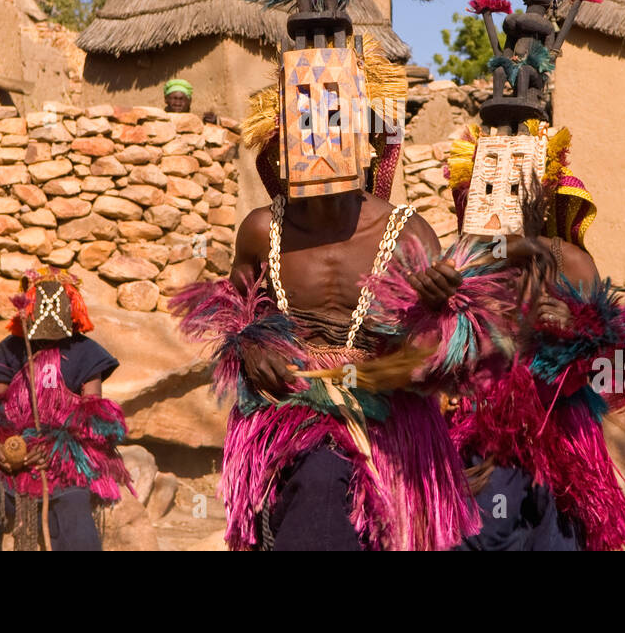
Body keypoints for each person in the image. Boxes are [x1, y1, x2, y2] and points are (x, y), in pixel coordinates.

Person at [175, 34, 517, 551]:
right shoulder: (259, 230)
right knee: (316, 483)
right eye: (305, 124)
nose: (320, 137)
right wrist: (250, 343)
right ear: (283, 139)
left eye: (336, 122)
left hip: (387, 422)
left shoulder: (409, 234)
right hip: (289, 415)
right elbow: (236, 312)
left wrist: (440, 311)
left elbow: (440, 363)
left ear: (364, 137)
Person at [0, 268, 132, 551]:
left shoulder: (86, 353)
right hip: (10, 454)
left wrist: (58, 449)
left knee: (74, 510)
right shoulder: (11, 349)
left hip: (62, 461)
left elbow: (96, 421)